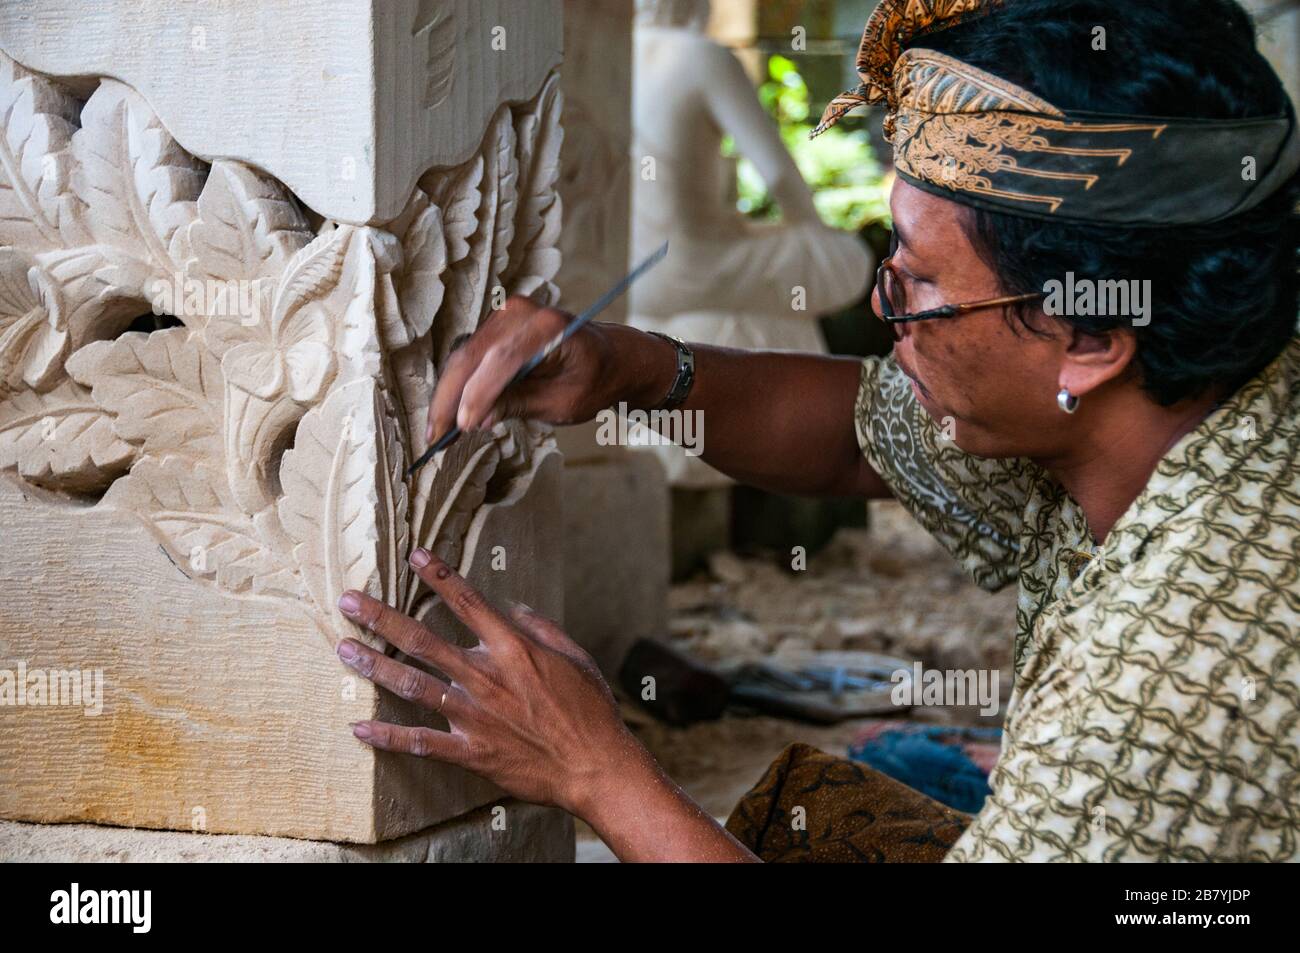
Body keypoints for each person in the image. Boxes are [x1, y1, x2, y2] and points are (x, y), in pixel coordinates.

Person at [332, 0, 1300, 862]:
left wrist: (597, 770)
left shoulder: (1174, 679)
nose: (884, 306)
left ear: (1087, 333)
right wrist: (629, 366)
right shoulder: (1157, 411)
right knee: (814, 805)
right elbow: (854, 433)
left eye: (919, 284)